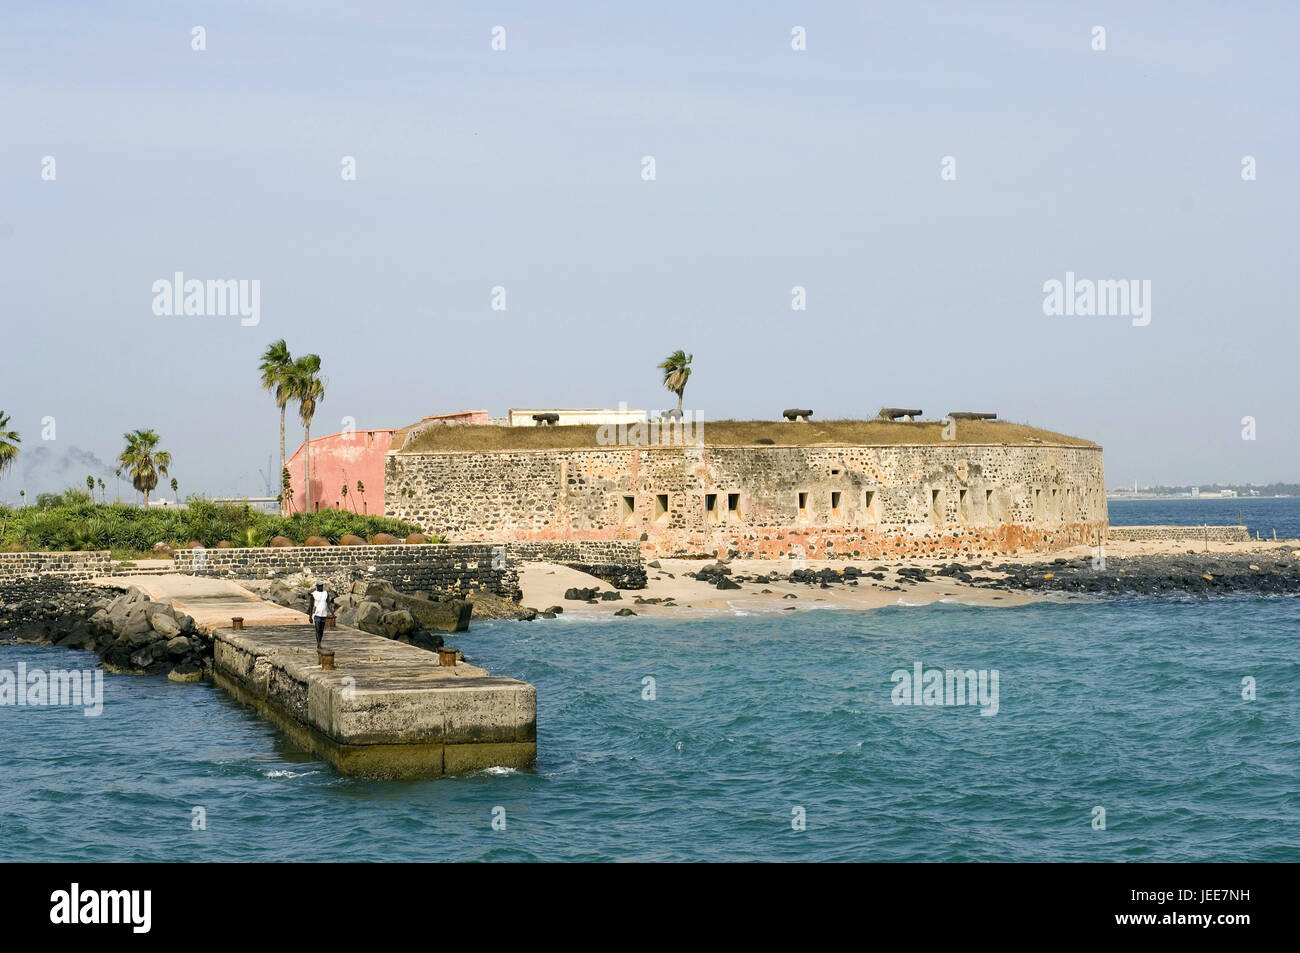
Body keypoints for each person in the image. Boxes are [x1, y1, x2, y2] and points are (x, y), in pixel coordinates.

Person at [307, 581, 332, 649]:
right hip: (316, 614)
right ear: (317, 586)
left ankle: (320, 641)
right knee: (317, 629)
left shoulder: (325, 593)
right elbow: (311, 606)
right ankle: (318, 643)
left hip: (324, 614)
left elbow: (328, 603)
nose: (320, 587)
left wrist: (332, 613)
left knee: (321, 630)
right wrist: (310, 617)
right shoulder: (313, 594)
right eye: (319, 586)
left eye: (321, 586)